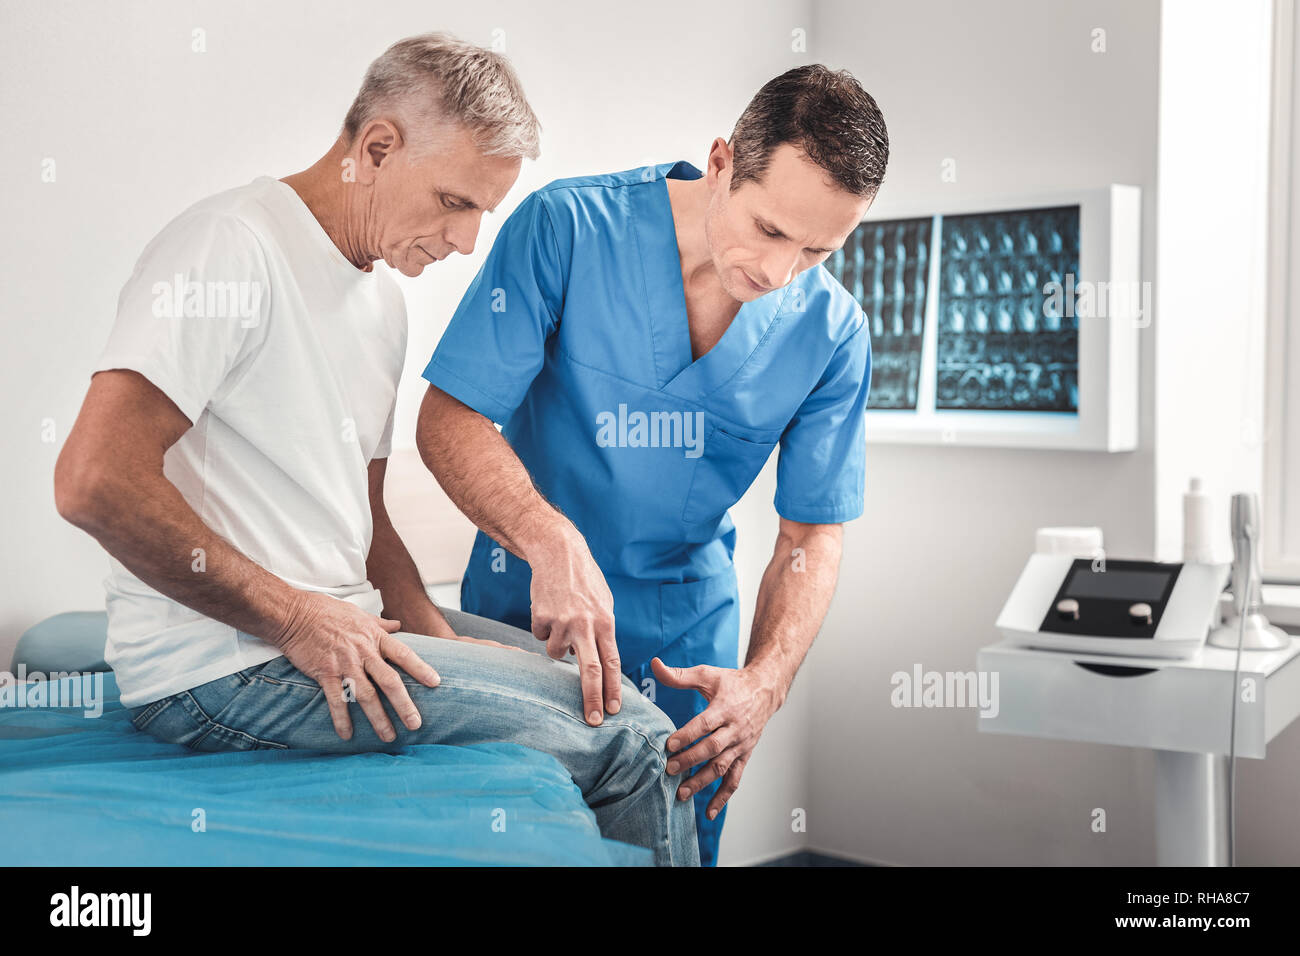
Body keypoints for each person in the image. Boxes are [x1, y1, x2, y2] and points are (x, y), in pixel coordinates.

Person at [53, 32, 698, 867]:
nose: (466, 241)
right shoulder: (230, 248)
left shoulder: (381, 306)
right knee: (638, 743)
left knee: (601, 695)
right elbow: (93, 480)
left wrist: (432, 634)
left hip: (339, 627)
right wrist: (293, 615)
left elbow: (363, 516)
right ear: (377, 147)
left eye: (482, 215)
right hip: (223, 670)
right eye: (454, 202)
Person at [417, 64, 888, 865]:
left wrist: (764, 684)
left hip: (685, 653)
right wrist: (549, 541)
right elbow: (449, 417)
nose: (779, 274)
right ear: (721, 162)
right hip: (524, 615)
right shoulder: (565, 227)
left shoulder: (834, 332)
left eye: (818, 250)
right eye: (770, 230)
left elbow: (812, 533)